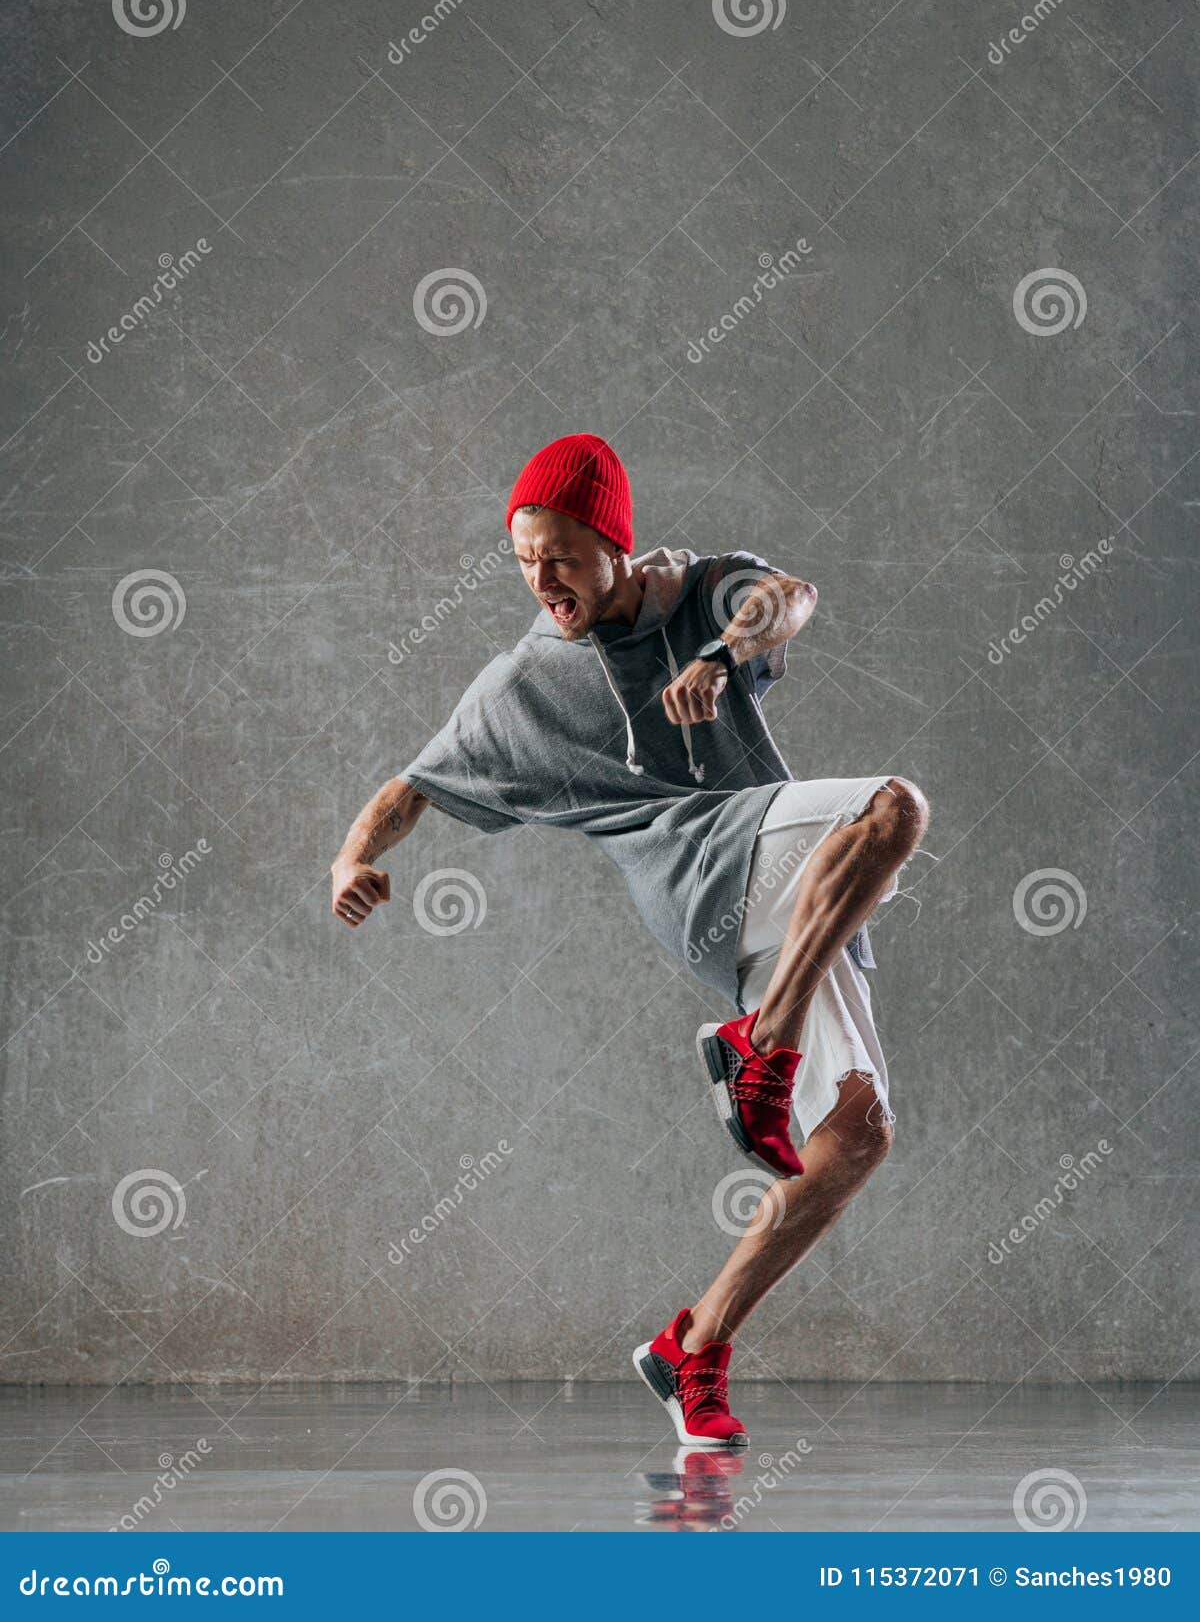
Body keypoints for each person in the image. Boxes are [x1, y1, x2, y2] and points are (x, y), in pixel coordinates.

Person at [330, 432, 929, 1447]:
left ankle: (693, 1344)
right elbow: (409, 786)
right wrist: (351, 857)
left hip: (788, 890)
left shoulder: (697, 594)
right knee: (892, 809)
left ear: (615, 545)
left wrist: (726, 649)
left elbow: (787, 596)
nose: (541, 579)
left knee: (858, 1137)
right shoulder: (520, 688)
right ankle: (761, 1047)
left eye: (561, 555)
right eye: (524, 559)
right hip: (700, 883)